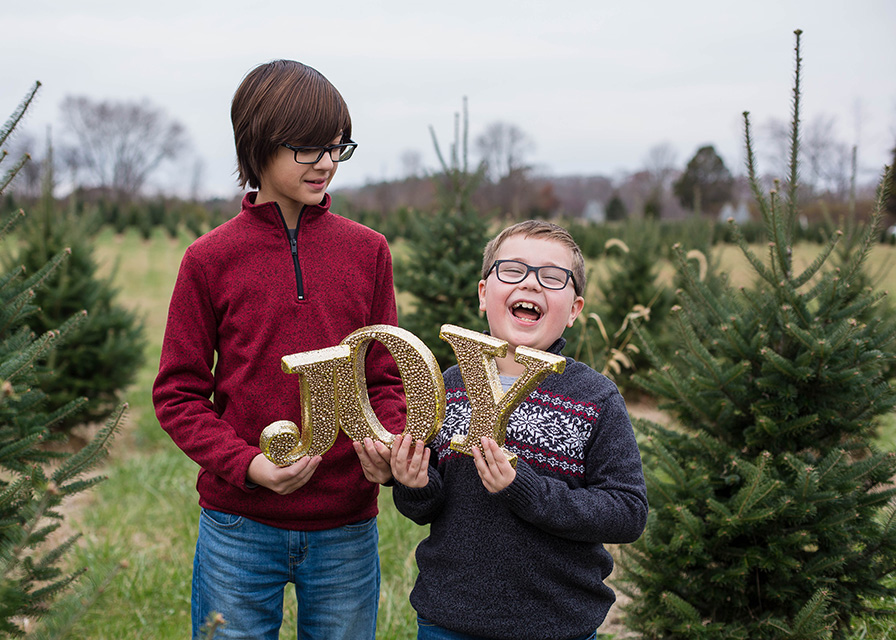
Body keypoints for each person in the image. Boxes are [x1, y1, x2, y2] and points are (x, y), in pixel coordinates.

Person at [152, 59, 406, 640]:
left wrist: (387, 443)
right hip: (239, 525)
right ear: (258, 143)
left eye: (339, 147)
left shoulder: (368, 252)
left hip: (345, 525)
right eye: (309, 147)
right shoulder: (209, 259)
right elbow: (178, 394)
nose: (327, 163)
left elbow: (385, 381)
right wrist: (247, 465)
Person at [391, 220, 648, 640]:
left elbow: (627, 513)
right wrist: (414, 484)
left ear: (574, 311)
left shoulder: (595, 397)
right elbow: (425, 509)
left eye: (552, 277)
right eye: (512, 270)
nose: (531, 284)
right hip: (450, 620)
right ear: (482, 294)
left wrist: (527, 490)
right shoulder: (448, 386)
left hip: (557, 625)